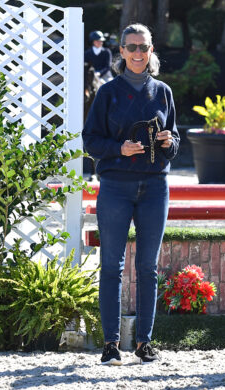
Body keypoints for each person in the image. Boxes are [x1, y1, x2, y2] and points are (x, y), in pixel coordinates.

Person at [82, 23, 179, 365]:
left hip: (155, 188)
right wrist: (118, 149)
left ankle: (144, 343)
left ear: (151, 51)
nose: (138, 53)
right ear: (121, 52)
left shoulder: (164, 92)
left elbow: (175, 143)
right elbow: (90, 141)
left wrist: (169, 142)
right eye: (132, 47)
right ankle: (110, 344)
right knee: (111, 265)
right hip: (115, 188)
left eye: (144, 47)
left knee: (148, 267)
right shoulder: (107, 93)